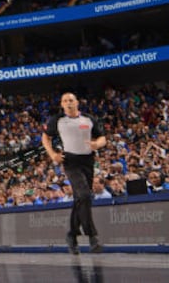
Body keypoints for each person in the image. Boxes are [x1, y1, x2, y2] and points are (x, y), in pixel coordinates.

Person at [42, 91, 107, 254]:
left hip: (88, 160)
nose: (68, 103)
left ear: (77, 102)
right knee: (84, 195)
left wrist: (96, 145)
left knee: (80, 199)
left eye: (71, 100)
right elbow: (45, 137)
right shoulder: (57, 120)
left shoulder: (88, 118)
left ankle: (71, 234)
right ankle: (92, 237)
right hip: (70, 161)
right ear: (62, 104)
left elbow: (102, 138)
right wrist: (53, 155)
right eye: (65, 101)